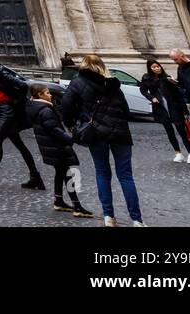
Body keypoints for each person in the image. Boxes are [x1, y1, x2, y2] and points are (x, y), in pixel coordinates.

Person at [61, 53, 144, 227]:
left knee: (102, 173)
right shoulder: (113, 83)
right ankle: (137, 220)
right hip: (120, 132)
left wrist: (72, 124)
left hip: (95, 133)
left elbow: (66, 105)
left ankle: (108, 217)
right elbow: (126, 110)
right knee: (126, 176)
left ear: (83, 65)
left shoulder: (77, 82)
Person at [26, 83, 93, 217]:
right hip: (56, 147)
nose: (50, 95)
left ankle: (59, 200)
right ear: (40, 95)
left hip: (51, 147)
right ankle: (77, 206)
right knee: (68, 175)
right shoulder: (45, 110)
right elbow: (54, 130)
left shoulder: (36, 108)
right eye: (47, 93)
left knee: (61, 173)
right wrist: (72, 139)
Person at [0, 52, 43, 189]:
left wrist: (15, 103)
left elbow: (23, 86)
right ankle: (35, 176)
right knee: (19, 144)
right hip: (0, 111)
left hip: (7, 112)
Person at [139, 59, 190, 164]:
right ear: (150, 69)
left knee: (182, 131)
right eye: (154, 67)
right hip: (161, 109)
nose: (157, 68)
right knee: (170, 132)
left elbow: (179, 95)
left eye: (158, 66)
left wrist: (185, 110)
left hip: (174, 108)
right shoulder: (147, 79)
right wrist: (151, 98)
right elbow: (142, 90)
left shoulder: (168, 78)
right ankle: (178, 153)